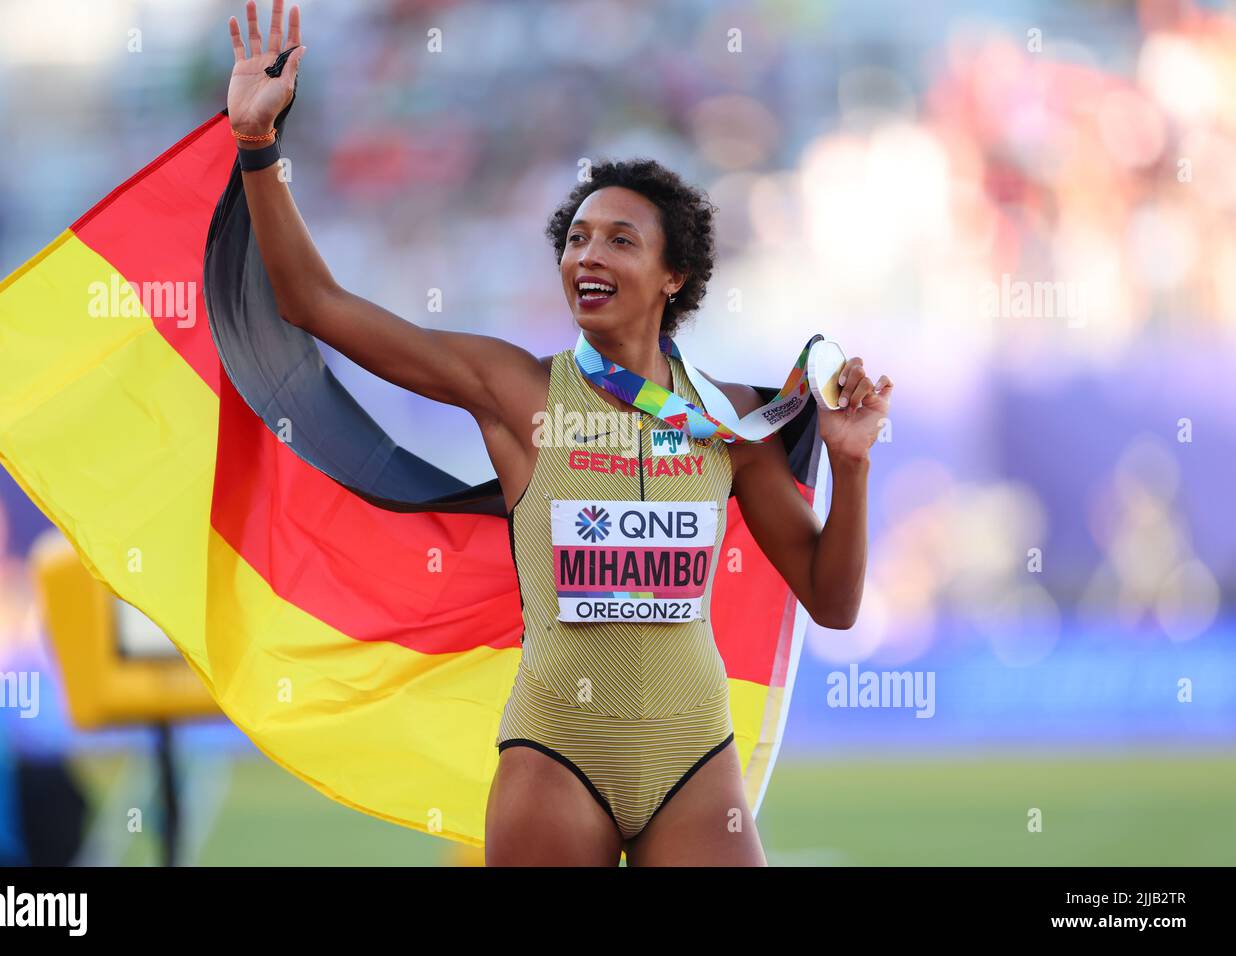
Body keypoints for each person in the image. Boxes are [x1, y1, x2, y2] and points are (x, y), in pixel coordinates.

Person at [224, 0, 892, 866]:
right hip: (557, 757)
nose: (589, 257)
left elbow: (833, 606)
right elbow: (313, 304)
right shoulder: (517, 390)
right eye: (576, 239)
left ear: (673, 275)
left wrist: (850, 465)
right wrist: (256, 145)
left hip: (695, 762)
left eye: (620, 240)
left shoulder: (730, 425)